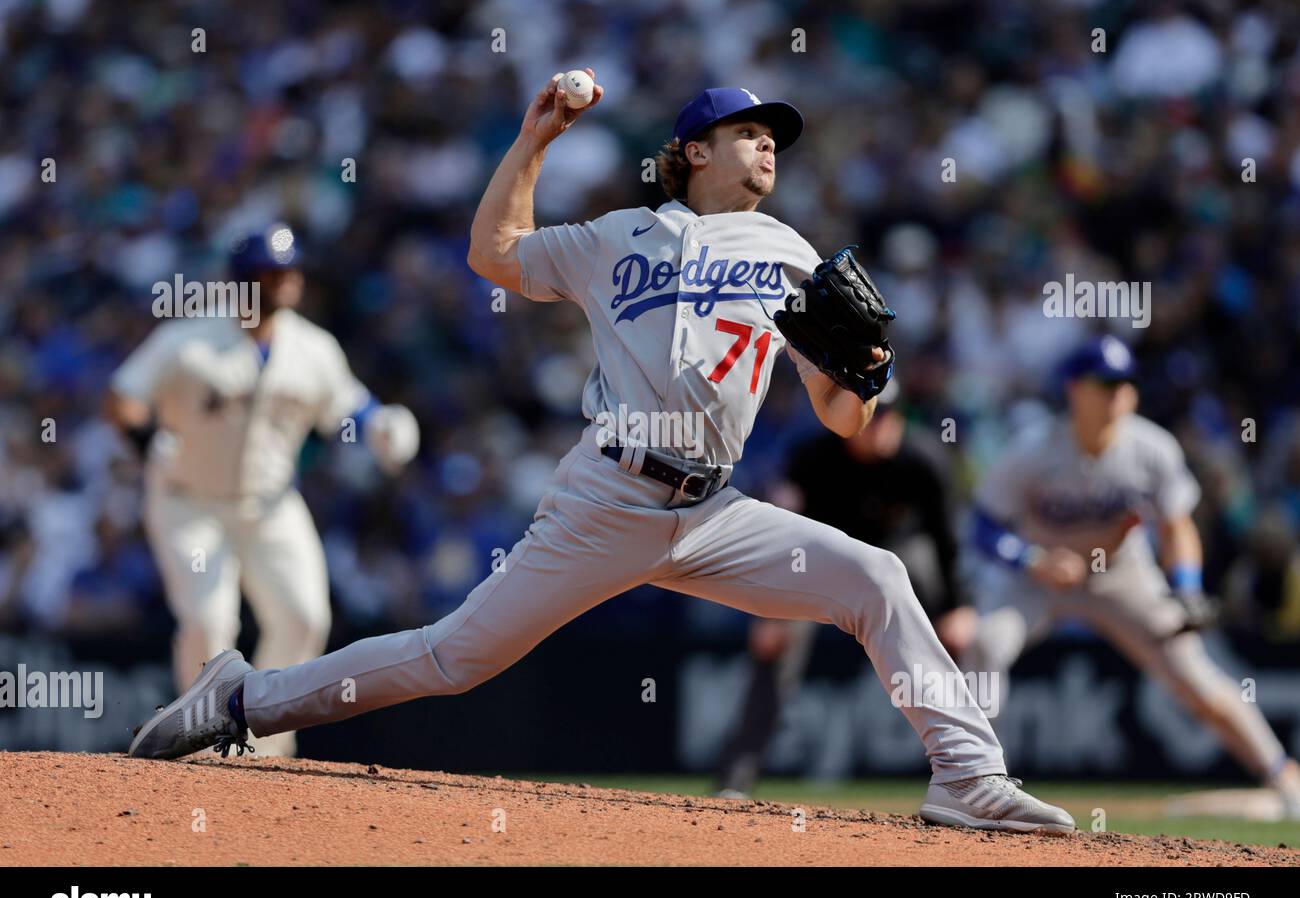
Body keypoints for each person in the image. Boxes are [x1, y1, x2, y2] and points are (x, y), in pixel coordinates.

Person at [128, 74, 1073, 833]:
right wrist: (535, 140)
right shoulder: (617, 235)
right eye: (749, 131)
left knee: (874, 576)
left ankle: (968, 774)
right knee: (452, 657)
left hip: (711, 511)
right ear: (696, 150)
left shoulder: (788, 249)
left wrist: (863, 376)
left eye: (774, 136)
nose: (768, 143)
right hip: (608, 498)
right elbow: (496, 254)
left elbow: (837, 420)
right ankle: (245, 699)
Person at [107, 226, 420, 755]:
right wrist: (143, 439)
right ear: (240, 281)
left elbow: (348, 406)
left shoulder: (313, 348)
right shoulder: (190, 340)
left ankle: (267, 743)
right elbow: (124, 394)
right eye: (267, 273)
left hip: (271, 505)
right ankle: (198, 741)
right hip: (189, 503)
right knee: (209, 620)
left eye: (288, 271)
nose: (281, 281)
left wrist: (381, 425)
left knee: (305, 617)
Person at [960, 335, 1300, 818]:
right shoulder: (1032, 449)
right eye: (1106, 382)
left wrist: (1184, 587)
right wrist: (1032, 559)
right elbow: (984, 527)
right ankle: (975, 781)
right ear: (1075, 389)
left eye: (1125, 383)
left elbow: (1178, 525)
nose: (1119, 392)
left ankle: (1284, 775)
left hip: (1121, 575)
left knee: (1195, 677)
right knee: (988, 643)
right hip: (1039, 575)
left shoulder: (1151, 447)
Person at [715, 379, 977, 797]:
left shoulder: (925, 458)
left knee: (944, 614)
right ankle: (735, 780)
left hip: (903, 565)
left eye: (891, 416)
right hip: (823, 564)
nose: (883, 426)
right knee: (775, 644)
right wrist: (769, 614)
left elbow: (948, 541)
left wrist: (957, 606)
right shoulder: (811, 458)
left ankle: (970, 777)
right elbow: (780, 539)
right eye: (874, 416)